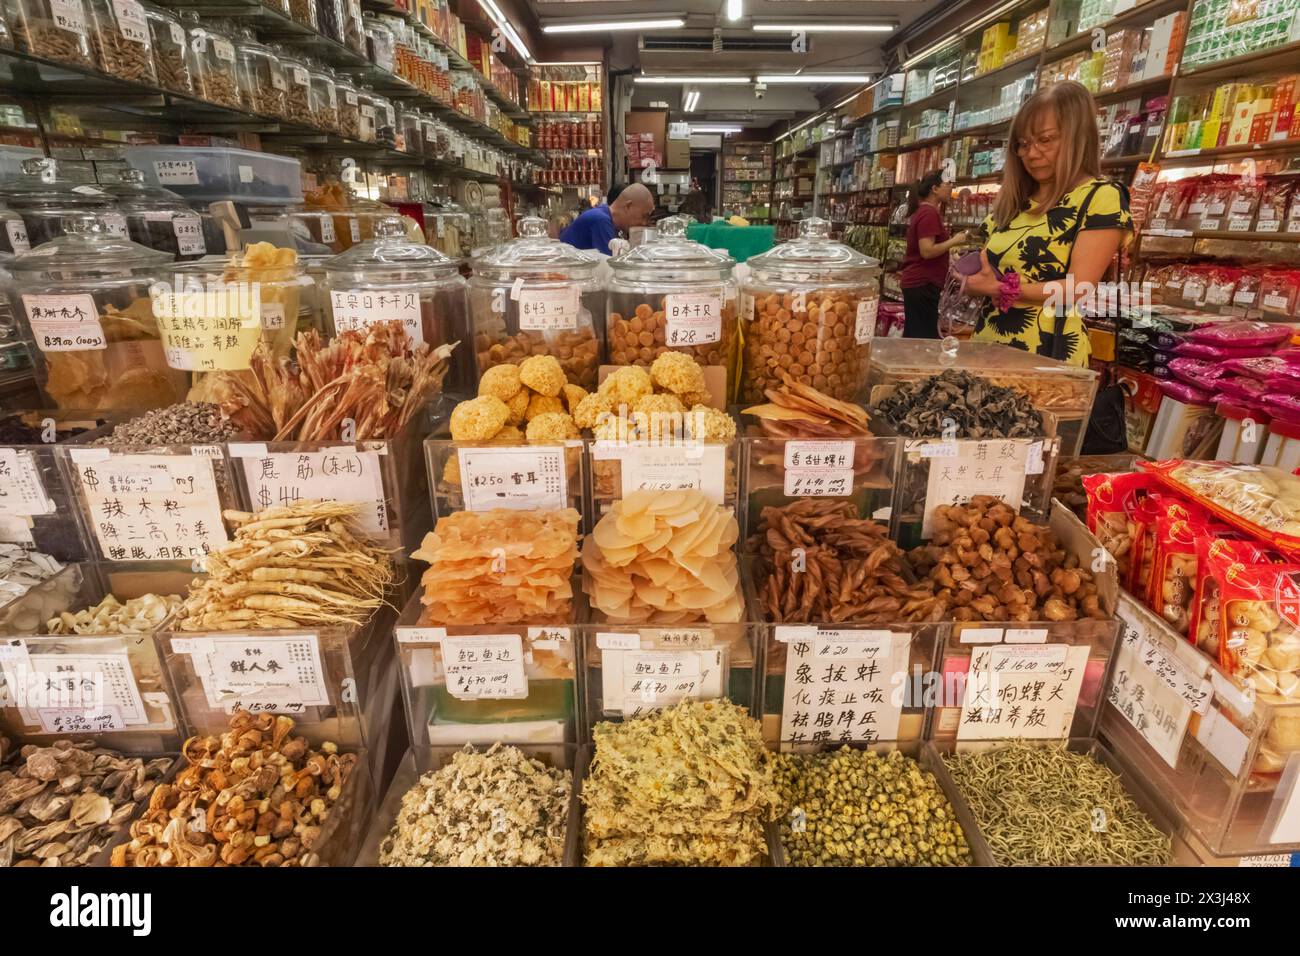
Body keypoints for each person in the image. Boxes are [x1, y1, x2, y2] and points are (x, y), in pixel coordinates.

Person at [962, 81, 1132, 366]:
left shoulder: (1100, 197)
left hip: (1048, 355)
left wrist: (1001, 290)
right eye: (1023, 144)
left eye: (1046, 140)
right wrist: (968, 279)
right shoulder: (1015, 202)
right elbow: (982, 271)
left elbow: (1078, 288)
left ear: (1078, 138)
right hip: (987, 346)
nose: (1031, 153)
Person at [900, 170, 968, 338]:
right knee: (923, 338)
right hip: (922, 283)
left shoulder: (924, 212)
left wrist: (948, 253)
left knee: (917, 334)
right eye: (947, 185)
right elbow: (927, 251)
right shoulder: (929, 213)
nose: (951, 189)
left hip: (920, 284)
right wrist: (955, 240)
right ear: (935, 189)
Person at [559, 182, 654, 253]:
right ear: (628, 206)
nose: (644, 223)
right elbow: (611, 268)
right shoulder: (601, 221)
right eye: (644, 216)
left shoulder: (604, 214)